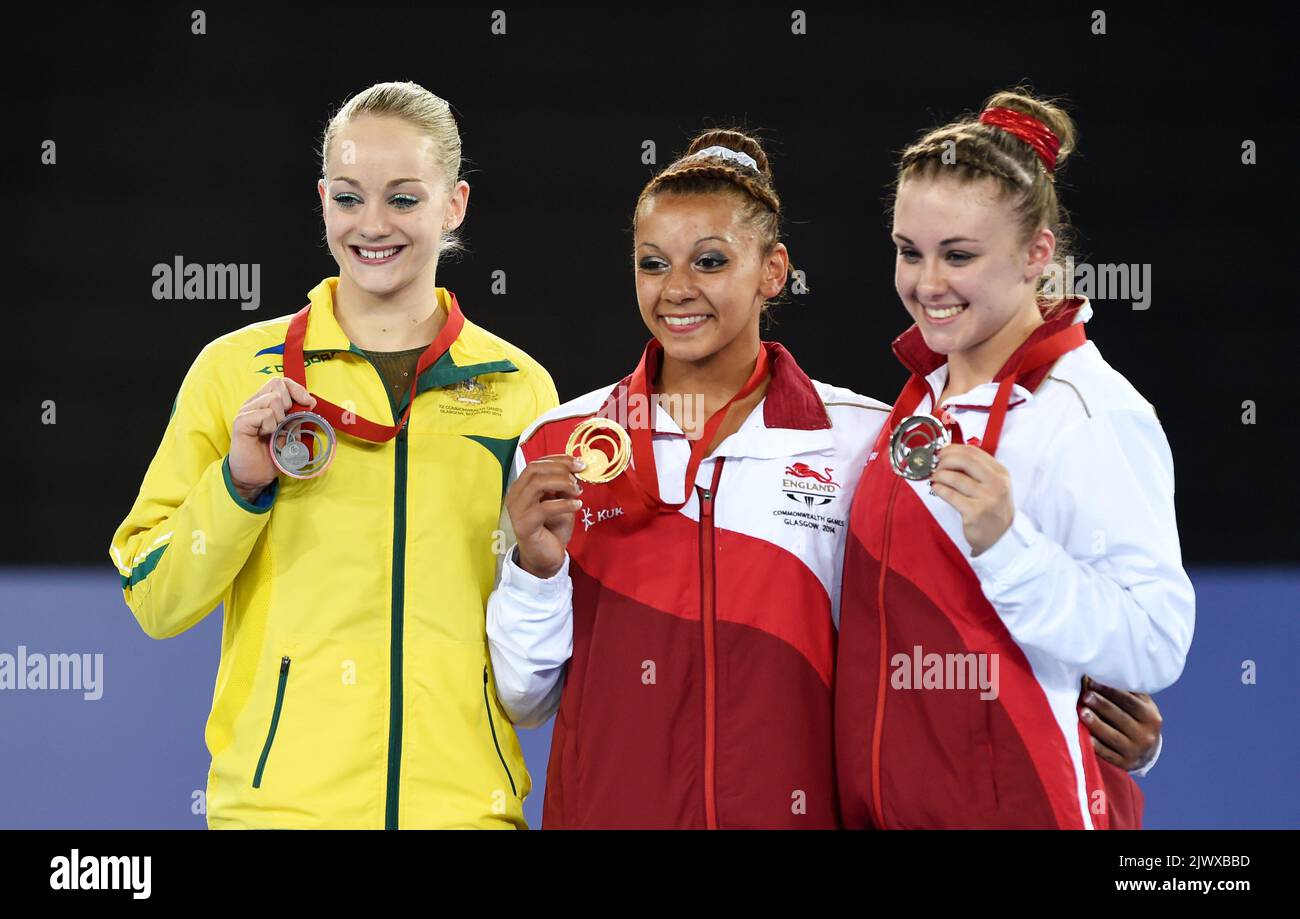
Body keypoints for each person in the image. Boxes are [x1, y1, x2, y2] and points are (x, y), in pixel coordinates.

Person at [484, 129, 1166, 829]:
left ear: (773, 270)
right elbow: (525, 698)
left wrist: (1108, 737)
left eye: (711, 261)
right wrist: (534, 571)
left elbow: (946, 635)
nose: (677, 289)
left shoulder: (867, 441)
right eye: (652, 263)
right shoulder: (561, 444)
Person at [108, 81, 557, 829]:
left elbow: (542, 633)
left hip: (464, 812)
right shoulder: (234, 369)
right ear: (322, 201)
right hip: (278, 812)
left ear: (456, 205)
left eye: (404, 199)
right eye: (349, 198)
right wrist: (239, 484)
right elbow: (155, 599)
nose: (372, 224)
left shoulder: (519, 388)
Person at [834, 89, 1194, 829]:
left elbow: (1154, 640)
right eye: (910, 251)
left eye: (958, 255)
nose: (927, 284)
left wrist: (1009, 544)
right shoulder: (914, 403)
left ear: (1038, 255)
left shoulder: (1089, 411)